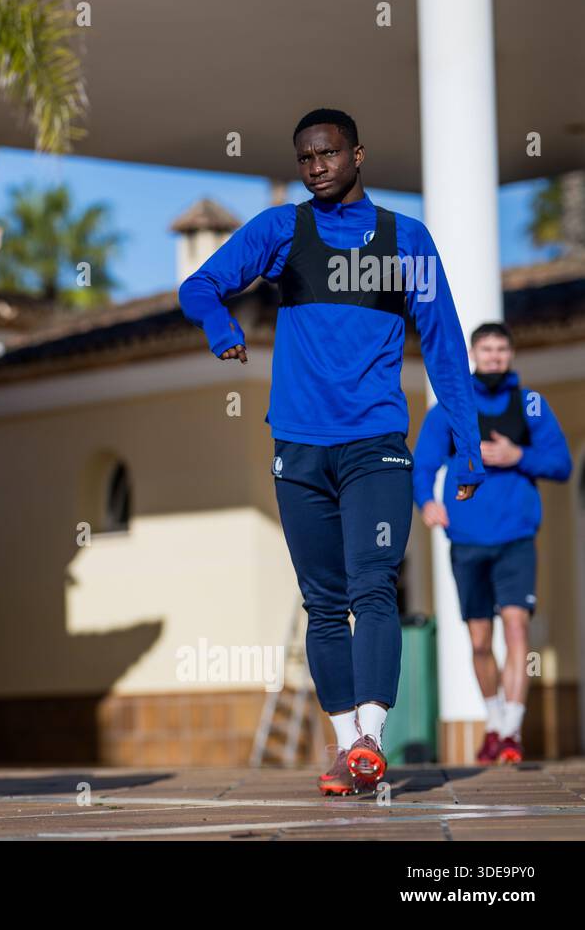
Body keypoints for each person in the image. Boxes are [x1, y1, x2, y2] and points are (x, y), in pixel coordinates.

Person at [179, 107, 484, 796]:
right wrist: (219, 323)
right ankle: (349, 751)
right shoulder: (281, 230)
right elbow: (198, 284)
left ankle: (372, 737)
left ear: (358, 155)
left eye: (328, 153)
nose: (316, 166)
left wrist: (468, 447)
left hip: (375, 444)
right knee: (322, 601)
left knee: (372, 584)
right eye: (305, 157)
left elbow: (443, 346)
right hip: (299, 448)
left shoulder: (407, 239)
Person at [413, 322, 572, 764]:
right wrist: (426, 502)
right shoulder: (450, 405)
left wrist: (518, 456)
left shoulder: (531, 404)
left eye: (503, 349)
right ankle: (494, 722)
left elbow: (561, 464)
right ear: (473, 353)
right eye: (487, 349)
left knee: (516, 626)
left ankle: (512, 734)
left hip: (516, 537)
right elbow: (422, 465)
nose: (495, 357)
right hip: (466, 539)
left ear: (511, 353)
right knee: (480, 640)